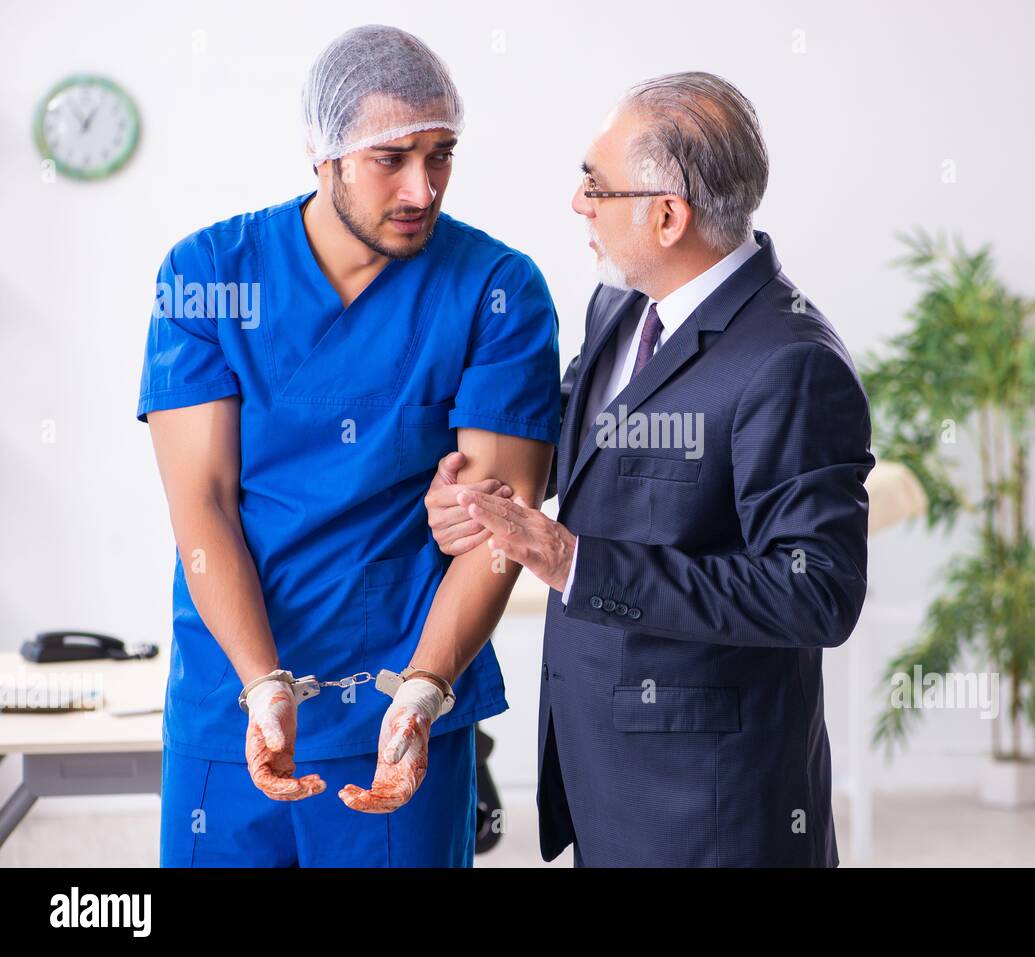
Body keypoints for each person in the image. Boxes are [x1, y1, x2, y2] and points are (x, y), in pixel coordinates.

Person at [137, 24, 559, 867]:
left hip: (402, 704)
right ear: (321, 154)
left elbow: (497, 530)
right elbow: (204, 505)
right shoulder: (212, 275)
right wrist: (262, 684)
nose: (423, 187)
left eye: (441, 154)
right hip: (234, 696)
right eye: (390, 158)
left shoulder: (496, 290)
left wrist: (425, 690)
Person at [428, 72, 874, 866]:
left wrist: (575, 562)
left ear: (667, 216)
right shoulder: (622, 303)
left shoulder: (791, 363)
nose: (577, 204)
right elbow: (574, 448)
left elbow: (816, 593)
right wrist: (477, 493)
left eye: (595, 186)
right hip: (606, 774)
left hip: (711, 804)